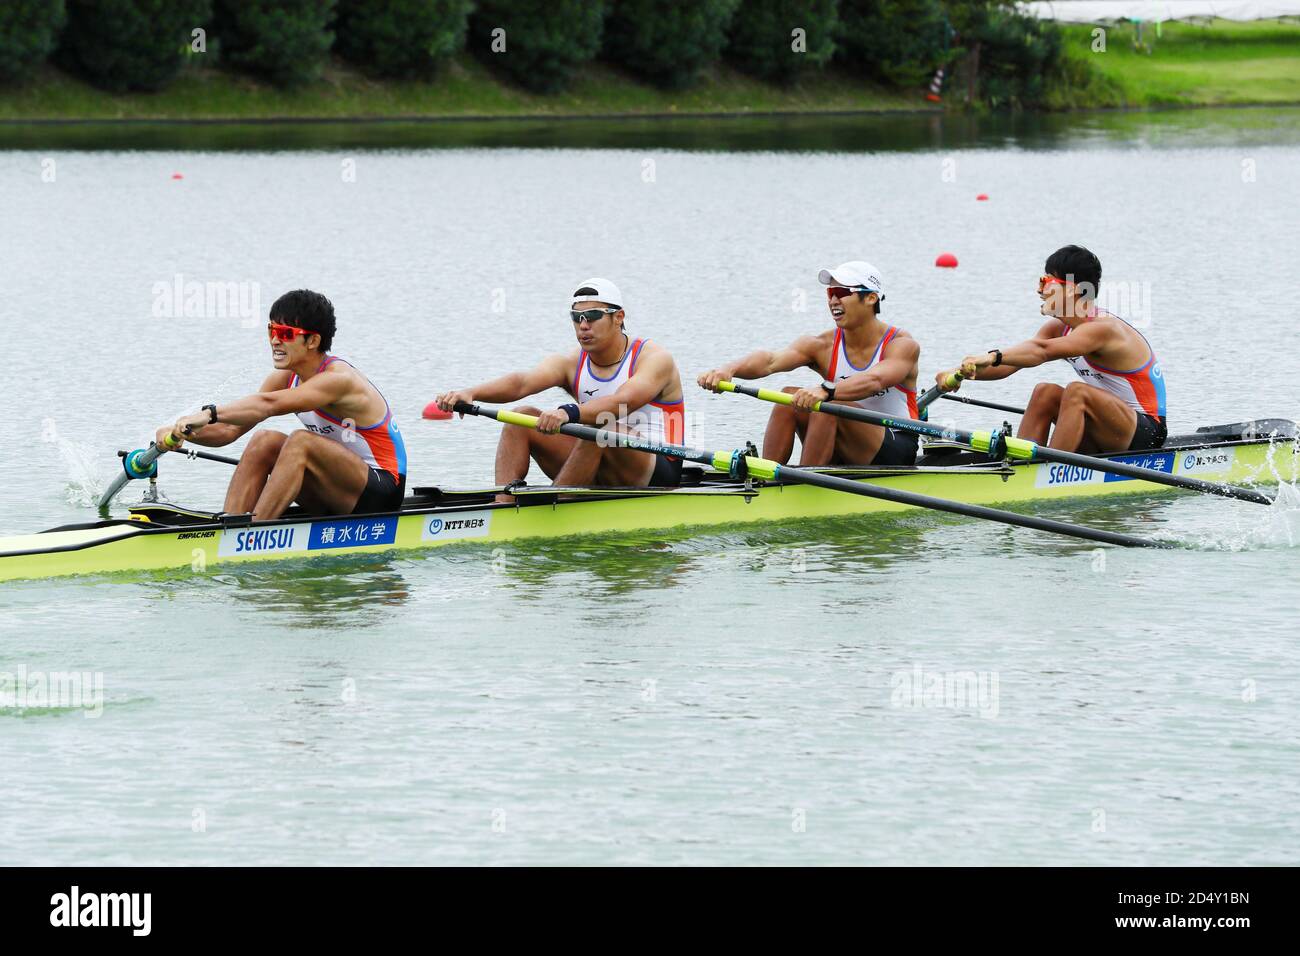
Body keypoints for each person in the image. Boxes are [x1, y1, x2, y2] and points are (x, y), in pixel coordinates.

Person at [155, 289, 407, 519]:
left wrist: (209, 412)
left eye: (286, 334)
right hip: (337, 487)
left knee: (301, 442)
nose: (275, 341)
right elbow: (228, 431)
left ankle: (254, 532)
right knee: (264, 441)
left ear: (312, 341)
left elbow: (268, 404)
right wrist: (181, 431)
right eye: (271, 331)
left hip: (381, 490)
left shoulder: (338, 379)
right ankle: (229, 524)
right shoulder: (285, 377)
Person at [436, 278, 685, 500]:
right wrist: (471, 393)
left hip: (656, 472)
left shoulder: (654, 358)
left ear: (618, 317)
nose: (583, 326)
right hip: (595, 459)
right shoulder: (571, 362)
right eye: (577, 318)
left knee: (600, 426)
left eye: (594, 316)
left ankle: (560, 506)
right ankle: (503, 507)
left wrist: (568, 412)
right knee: (520, 419)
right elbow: (522, 383)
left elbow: (623, 401)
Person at [934, 245, 1166, 453]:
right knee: (1045, 392)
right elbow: (1008, 365)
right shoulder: (1057, 328)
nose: (1040, 290)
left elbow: (1040, 351)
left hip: (1145, 431)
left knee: (1078, 392)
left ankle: (1047, 470)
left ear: (1073, 289)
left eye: (1046, 282)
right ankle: (1021, 465)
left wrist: (991, 356)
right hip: (1106, 426)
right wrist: (959, 372)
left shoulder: (1103, 329)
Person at [697, 261, 921, 466]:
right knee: (788, 398)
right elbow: (770, 361)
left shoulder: (902, 345)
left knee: (829, 407)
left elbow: (875, 379)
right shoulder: (821, 345)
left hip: (896, 445)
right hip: (847, 436)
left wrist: (827, 390)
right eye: (830, 292)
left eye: (842, 292)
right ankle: (767, 479)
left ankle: (803, 482)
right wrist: (729, 369)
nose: (833, 300)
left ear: (871, 298)